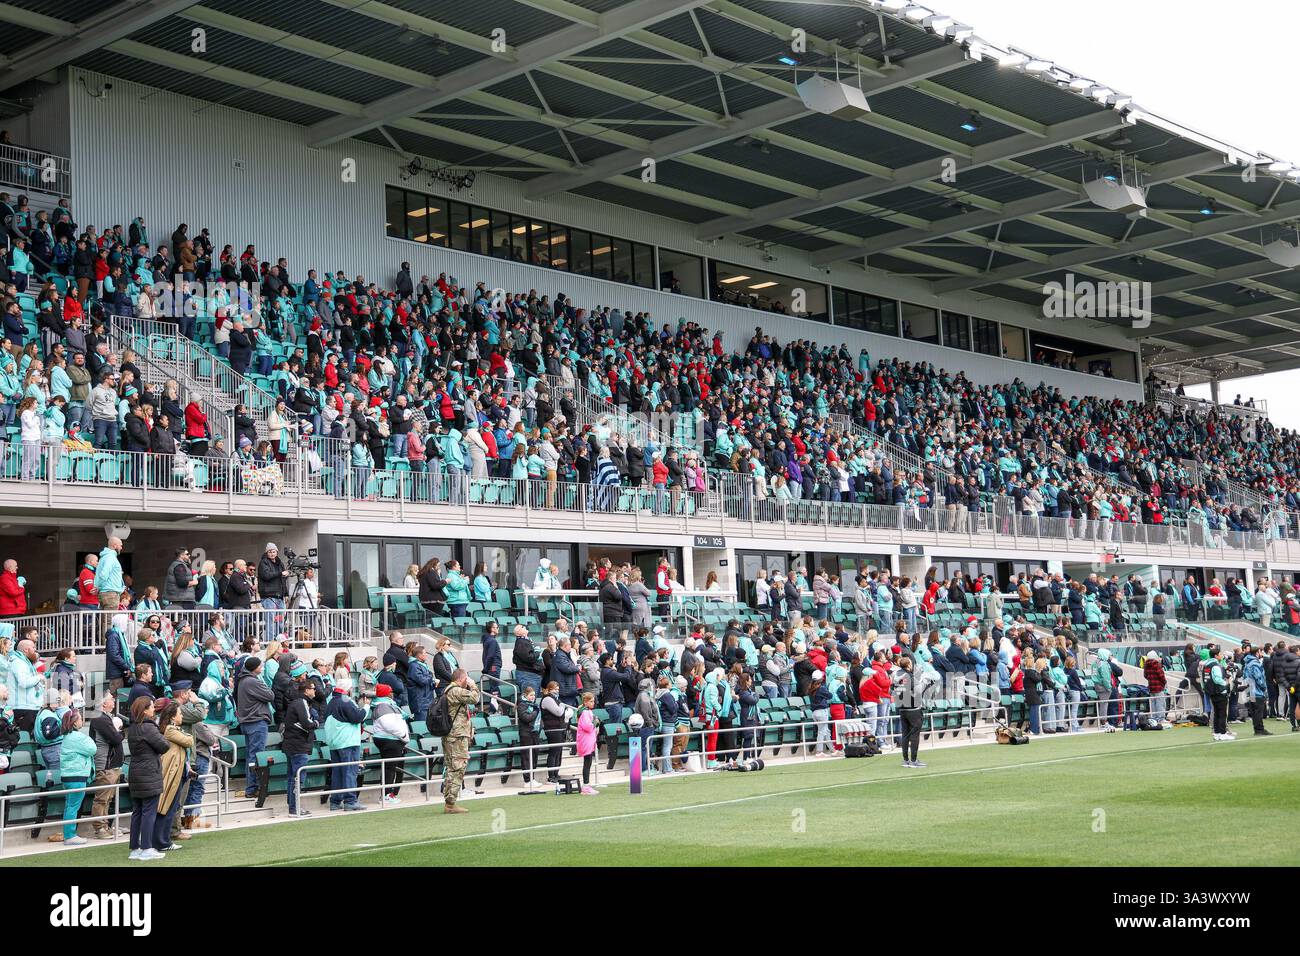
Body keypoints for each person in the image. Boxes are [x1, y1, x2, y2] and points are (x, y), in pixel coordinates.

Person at [125, 696, 169, 861]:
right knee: (149, 812)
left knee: (137, 812)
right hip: (148, 772)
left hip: (135, 771)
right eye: (151, 707)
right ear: (144, 710)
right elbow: (164, 746)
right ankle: (146, 848)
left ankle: (135, 848)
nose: (153, 709)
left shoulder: (133, 727)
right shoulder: (148, 728)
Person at [322, 676, 367, 811]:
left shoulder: (331, 701)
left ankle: (335, 801)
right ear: (348, 689)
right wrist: (366, 706)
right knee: (349, 772)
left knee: (338, 772)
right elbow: (358, 717)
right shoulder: (345, 701)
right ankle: (350, 801)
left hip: (334, 743)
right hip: (347, 742)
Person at [154, 699, 193, 852]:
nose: (182, 716)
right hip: (172, 775)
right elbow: (189, 741)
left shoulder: (174, 729)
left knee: (171, 808)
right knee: (167, 808)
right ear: (172, 717)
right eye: (180, 713)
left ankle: (164, 840)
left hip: (179, 773)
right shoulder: (170, 730)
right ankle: (163, 841)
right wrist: (187, 736)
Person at [439, 668, 478, 814]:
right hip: (457, 735)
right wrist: (473, 685)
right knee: (458, 766)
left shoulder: (449, 690)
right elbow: (475, 698)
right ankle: (450, 803)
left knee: (452, 767)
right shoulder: (455, 690)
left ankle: (450, 801)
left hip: (454, 735)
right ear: (462, 679)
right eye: (466, 679)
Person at [234, 655, 274, 798]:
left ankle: (252, 787)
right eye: (260, 665)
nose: (262, 667)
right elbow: (270, 695)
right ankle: (252, 788)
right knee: (256, 756)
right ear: (255, 668)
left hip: (249, 721)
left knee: (252, 756)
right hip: (255, 722)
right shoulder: (251, 681)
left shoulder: (244, 680)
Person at [87, 693, 125, 839]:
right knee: (102, 798)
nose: (114, 701)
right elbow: (116, 738)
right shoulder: (99, 718)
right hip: (105, 766)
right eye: (111, 699)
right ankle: (100, 828)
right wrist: (119, 729)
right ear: (103, 704)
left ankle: (106, 825)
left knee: (108, 798)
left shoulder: (105, 718)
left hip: (112, 765)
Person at [282, 667, 319, 816]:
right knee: (298, 778)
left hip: (293, 744)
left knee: (293, 777)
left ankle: (293, 807)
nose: (315, 691)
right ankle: (294, 808)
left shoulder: (298, 703)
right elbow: (307, 724)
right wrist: (315, 723)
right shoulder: (301, 703)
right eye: (313, 688)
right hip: (298, 745)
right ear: (306, 690)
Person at [57, 709, 97, 846]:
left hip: (69, 776)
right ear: (74, 723)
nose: (82, 721)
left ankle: (69, 834)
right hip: (76, 776)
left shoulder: (68, 737)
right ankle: (70, 835)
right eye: (80, 719)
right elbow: (93, 749)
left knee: (70, 806)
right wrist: (88, 738)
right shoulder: (77, 737)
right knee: (73, 806)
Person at [370, 683, 409, 805]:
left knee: (389, 768)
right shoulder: (383, 706)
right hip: (390, 740)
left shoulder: (385, 705)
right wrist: (403, 735)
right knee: (389, 768)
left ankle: (387, 793)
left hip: (391, 740)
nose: (392, 693)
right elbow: (390, 725)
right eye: (390, 691)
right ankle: (386, 795)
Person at [893, 654, 926, 768]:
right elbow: (917, 691)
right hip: (913, 708)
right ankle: (913, 760)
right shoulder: (909, 676)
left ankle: (906, 760)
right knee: (914, 735)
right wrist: (925, 683)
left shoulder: (897, 675)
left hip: (902, 708)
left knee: (905, 734)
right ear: (908, 665)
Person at [1203, 645, 1233, 741]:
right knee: (1222, 713)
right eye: (1219, 654)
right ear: (1216, 656)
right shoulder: (1215, 665)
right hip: (1219, 691)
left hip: (1211, 691)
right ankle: (1223, 733)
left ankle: (1217, 733)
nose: (1221, 656)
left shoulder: (1207, 665)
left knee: (1216, 713)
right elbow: (1217, 679)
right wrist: (1226, 684)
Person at [1241, 644, 1270, 737]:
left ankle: (1257, 728)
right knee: (1258, 711)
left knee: (1254, 711)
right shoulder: (1255, 663)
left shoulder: (1247, 663)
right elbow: (1259, 677)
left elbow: (1245, 677)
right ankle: (1260, 729)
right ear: (1257, 653)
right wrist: (1263, 687)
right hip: (1257, 691)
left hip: (1250, 690)